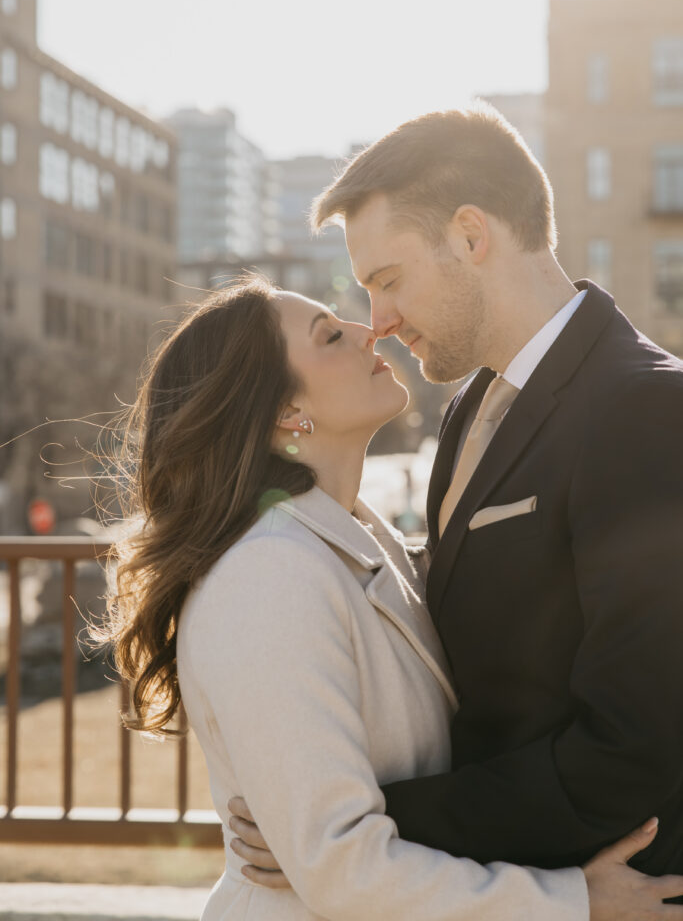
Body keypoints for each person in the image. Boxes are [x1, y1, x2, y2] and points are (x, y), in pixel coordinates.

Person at [102, 276, 682, 921]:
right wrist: (575, 903)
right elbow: (343, 865)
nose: (365, 329)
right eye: (330, 334)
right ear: (284, 412)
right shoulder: (267, 577)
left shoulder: (359, 542)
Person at [228, 106, 683, 899]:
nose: (378, 323)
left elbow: (632, 744)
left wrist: (370, 828)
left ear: (471, 236)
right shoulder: (470, 407)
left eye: (387, 280)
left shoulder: (647, 410)